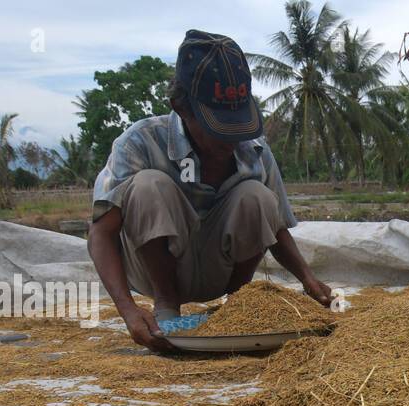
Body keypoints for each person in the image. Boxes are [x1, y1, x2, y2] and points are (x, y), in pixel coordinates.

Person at [87, 29, 332, 352]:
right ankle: (167, 304)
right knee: (149, 185)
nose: (231, 139)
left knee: (256, 196)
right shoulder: (139, 142)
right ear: (181, 107)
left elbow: (277, 225)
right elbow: (100, 235)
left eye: (237, 125)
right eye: (218, 127)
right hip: (152, 273)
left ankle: (237, 305)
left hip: (221, 270)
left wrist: (306, 278)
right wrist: (128, 310)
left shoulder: (255, 150)